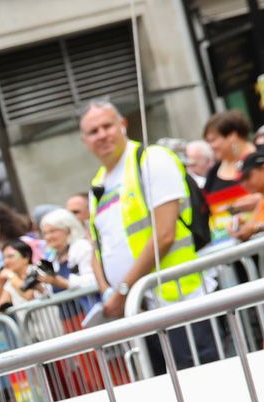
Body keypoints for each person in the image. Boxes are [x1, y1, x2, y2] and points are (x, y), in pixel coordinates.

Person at [81, 101, 218, 369]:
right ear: (85, 140)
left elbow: (164, 235)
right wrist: (109, 293)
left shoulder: (152, 159)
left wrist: (122, 290)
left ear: (122, 125)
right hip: (139, 310)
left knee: (202, 382)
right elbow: (96, 248)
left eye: (107, 125)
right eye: (93, 131)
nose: (102, 134)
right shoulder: (97, 183)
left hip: (180, 300)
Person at [35, 209, 98, 287]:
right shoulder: (52, 256)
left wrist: (61, 282)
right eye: (45, 233)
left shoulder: (82, 247)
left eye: (52, 231)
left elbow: (94, 279)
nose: (48, 237)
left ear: (68, 230)